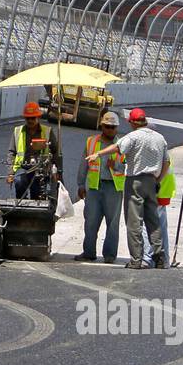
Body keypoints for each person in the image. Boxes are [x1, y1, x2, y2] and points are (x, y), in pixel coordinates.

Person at [88, 107, 169, 269]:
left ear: (131, 122)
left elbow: (117, 148)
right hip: (152, 181)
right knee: (152, 220)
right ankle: (160, 256)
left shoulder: (133, 136)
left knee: (134, 222)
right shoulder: (160, 138)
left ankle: (136, 259)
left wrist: (99, 154)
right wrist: (158, 179)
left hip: (135, 181)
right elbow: (166, 162)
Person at [75, 111, 125, 263]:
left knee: (112, 223)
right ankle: (88, 252)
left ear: (117, 128)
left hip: (113, 188)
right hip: (95, 188)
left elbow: (130, 167)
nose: (110, 130)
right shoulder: (91, 142)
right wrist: (80, 184)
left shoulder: (123, 144)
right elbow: (84, 164)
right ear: (102, 126)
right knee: (90, 221)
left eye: (113, 127)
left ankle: (110, 255)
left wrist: (116, 166)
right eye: (107, 126)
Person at [8, 101, 62, 201]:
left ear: (38, 117)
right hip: (23, 168)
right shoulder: (17, 131)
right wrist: (10, 173)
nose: (30, 121)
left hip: (40, 169)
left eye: (33, 118)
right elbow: (12, 153)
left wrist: (57, 171)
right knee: (19, 183)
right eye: (28, 118)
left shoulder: (47, 131)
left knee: (36, 192)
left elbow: (55, 152)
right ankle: (21, 205)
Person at [142, 150, 175, 268]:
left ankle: (148, 259)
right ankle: (165, 260)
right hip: (164, 194)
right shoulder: (163, 154)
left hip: (155, 194)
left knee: (148, 227)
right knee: (161, 228)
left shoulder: (153, 156)